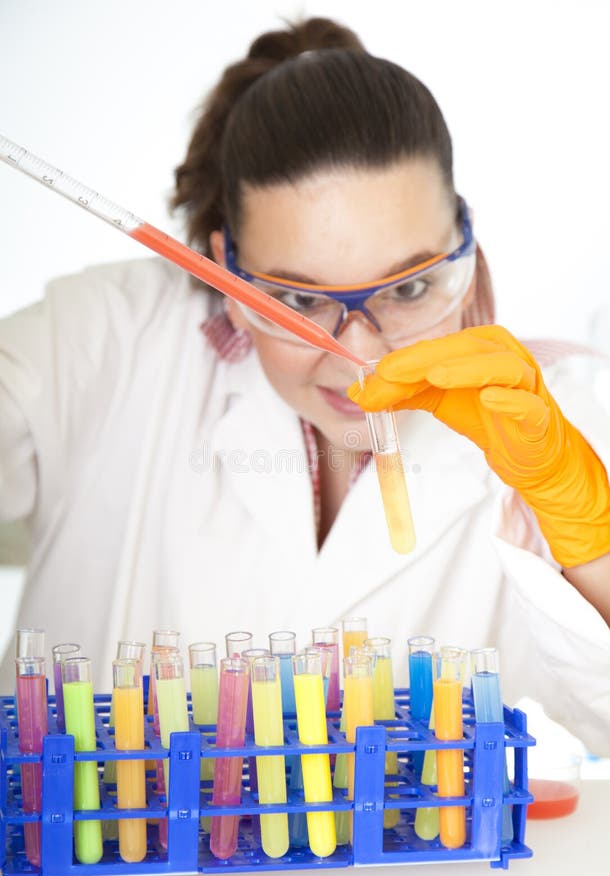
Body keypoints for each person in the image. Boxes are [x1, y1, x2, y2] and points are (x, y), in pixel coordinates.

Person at [0, 17, 609, 756]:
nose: (358, 357)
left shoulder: (553, 420)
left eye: (410, 287)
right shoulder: (106, 341)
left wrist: (594, 548)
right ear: (225, 271)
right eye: (295, 301)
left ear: (467, 246)